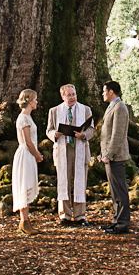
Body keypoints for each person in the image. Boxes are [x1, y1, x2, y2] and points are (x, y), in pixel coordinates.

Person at [46, 84, 95, 226]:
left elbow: (91, 129)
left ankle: (80, 215)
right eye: (69, 95)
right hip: (63, 149)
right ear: (63, 96)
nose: (72, 97)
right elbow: (48, 130)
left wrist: (84, 134)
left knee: (80, 181)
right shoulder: (54, 111)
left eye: (74, 94)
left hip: (80, 148)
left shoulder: (85, 110)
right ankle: (65, 214)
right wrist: (53, 134)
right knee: (64, 181)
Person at [99, 81, 130, 234]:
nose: (102, 94)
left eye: (104, 91)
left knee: (120, 189)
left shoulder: (120, 108)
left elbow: (117, 135)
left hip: (116, 156)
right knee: (114, 190)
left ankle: (123, 222)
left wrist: (109, 155)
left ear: (111, 92)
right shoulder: (112, 106)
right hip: (109, 156)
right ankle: (116, 219)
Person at [12, 89, 44, 235]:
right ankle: (24, 221)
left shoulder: (28, 117)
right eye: (35, 99)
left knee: (27, 184)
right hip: (26, 153)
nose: (36, 102)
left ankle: (25, 221)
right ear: (30, 101)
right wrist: (37, 154)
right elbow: (28, 142)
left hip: (29, 154)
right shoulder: (24, 118)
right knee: (24, 185)